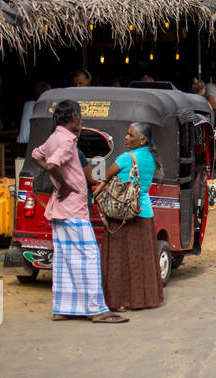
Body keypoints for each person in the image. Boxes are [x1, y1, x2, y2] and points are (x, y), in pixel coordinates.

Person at [31, 99, 126, 323]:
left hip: (60, 210)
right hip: (74, 208)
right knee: (90, 256)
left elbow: (37, 155)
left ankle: (63, 308)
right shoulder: (68, 141)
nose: (81, 120)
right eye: (79, 115)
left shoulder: (54, 137)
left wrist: (57, 179)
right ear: (71, 117)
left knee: (65, 259)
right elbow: (56, 165)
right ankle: (97, 310)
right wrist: (64, 184)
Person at [100, 122, 163, 312]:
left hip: (122, 214)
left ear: (142, 140)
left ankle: (118, 301)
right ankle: (144, 299)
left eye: (131, 135)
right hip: (144, 213)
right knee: (141, 261)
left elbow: (105, 177)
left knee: (118, 260)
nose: (126, 138)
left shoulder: (126, 158)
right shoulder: (152, 158)